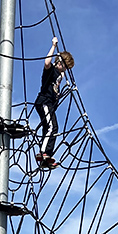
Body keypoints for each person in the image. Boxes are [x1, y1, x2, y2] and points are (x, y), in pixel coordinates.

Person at [34, 37, 74, 169]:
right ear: (59, 63)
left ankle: (47, 157)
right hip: (43, 102)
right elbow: (46, 62)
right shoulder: (51, 70)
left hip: (50, 104)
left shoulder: (60, 74)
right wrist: (53, 47)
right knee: (51, 127)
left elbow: (61, 76)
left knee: (52, 128)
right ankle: (42, 153)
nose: (65, 70)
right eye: (65, 66)